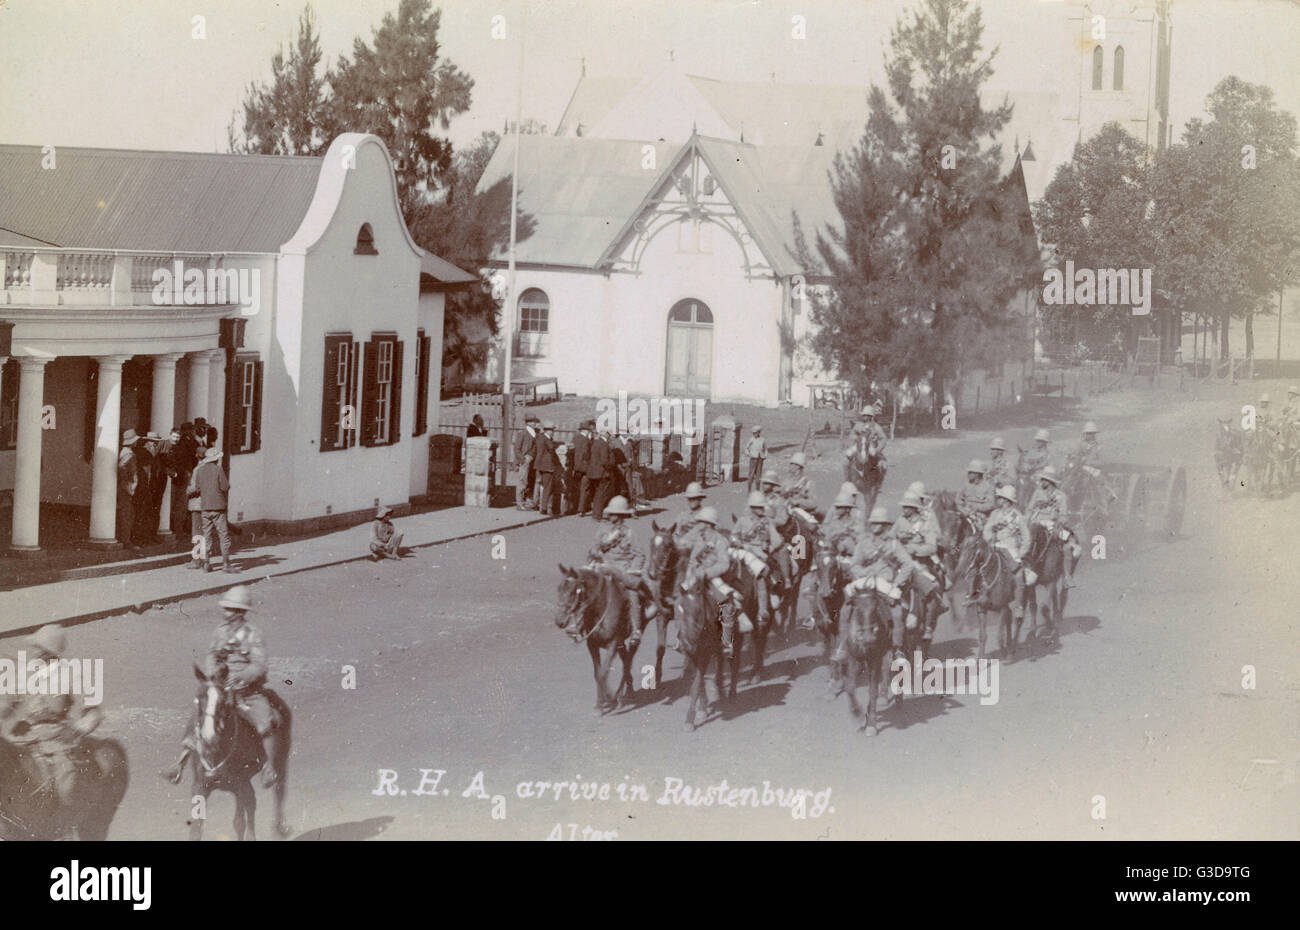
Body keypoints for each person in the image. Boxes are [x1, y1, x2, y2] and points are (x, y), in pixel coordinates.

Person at [162, 585, 282, 788]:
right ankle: (180, 763)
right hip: (222, 687)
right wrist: (212, 674)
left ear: (239, 612)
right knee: (200, 714)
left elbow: (260, 665)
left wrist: (242, 675)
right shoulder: (220, 632)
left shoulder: (253, 634)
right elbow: (211, 654)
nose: (225, 613)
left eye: (229, 609)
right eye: (225, 609)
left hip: (247, 690)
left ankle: (268, 768)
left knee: (264, 720)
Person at [0, 625, 102, 805]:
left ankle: (65, 824)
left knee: (66, 785)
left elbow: (94, 713)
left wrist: (76, 730)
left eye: (37, 647)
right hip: (24, 737)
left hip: (57, 739)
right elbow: (7, 704)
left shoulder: (71, 674)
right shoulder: (24, 673)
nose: (32, 650)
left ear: (48, 651)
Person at [835, 506, 915, 663]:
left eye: (878, 523)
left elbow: (908, 564)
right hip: (865, 581)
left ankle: (898, 649)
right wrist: (864, 573)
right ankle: (842, 645)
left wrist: (898, 582)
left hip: (885, 582)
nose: (874, 526)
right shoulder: (863, 543)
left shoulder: (893, 544)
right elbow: (854, 564)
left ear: (885, 525)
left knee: (897, 613)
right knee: (845, 610)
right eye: (873, 523)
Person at [584, 496, 650, 649]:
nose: (611, 516)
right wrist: (596, 553)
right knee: (585, 589)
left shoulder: (629, 533)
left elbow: (639, 554)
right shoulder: (602, 530)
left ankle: (635, 630)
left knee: (632, 593)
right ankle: (582, 625)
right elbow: (594, 547)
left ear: (621, 515)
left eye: (614, 513)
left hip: (623, 569)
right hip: (605, 567)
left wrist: (632, 570)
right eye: (611, 513)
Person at [679, 506, 739, 655]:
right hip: (696, 577)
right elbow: (693, 561)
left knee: (727, 605)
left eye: (702, 523)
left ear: (709, 524)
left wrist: (706, 573)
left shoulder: (720, 541)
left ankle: (727, 642)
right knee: (680, 602)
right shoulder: (700, 540)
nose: (699, 526)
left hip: (714, 578)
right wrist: (689, 576)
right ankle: (682, 637)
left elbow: (724, 564)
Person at [970, 485, 1031, 617]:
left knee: (1019, 572)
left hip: (1011, 547)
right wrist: (989, 538)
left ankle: (1019, 605)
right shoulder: (995, 514)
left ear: (1006, 500)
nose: (998, 500)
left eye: (1001, 498)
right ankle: (973, 594)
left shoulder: (1017, 516)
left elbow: (1026, 537)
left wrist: (1021, 552)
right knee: (977, 564)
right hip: (994, 545)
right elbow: (986, 530)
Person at [731, 490, 783, 625]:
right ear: (752, 508)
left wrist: (769, 548)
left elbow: (777, 540)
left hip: (760, 553)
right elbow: (733, 535)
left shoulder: (767, 522)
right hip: (744, 551)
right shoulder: (742, 521)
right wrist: (738, 542)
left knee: (761, 573)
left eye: (762, 507)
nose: (762, 509)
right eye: (759, 507)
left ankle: (762, 610)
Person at [188, 446, 236, 574]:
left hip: (204, 507)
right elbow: (225, 487)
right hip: (218, 507)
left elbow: (197, 488)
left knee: (206, 536)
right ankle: (226, 563)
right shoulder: (218, 470)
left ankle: (206, 564)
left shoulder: (199, 471)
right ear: (216, 459)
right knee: (223, 535)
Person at [1027, 466, 1076, 587]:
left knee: (1067, 546)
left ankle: (1067, 576)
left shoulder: (1061, 496)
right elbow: (1029, 509)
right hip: (1035, 523)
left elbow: (1064, 514)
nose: (1041, 482)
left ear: (1051, 482)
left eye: (1044, 480)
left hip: (1051, 524)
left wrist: (1059, 523)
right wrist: (1025, 520)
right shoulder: (1037, 493)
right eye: (1042, 479)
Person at [844, 402, 888, 514]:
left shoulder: (876, 427)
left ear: (872, 416)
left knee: (882, 464)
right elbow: (851, 435)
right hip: (859, 445)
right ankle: (847, 481)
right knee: (846, 460)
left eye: (868, 415)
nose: (866, 417)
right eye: (864, 415)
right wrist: (856, 438)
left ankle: (878, 483)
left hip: (871, 446)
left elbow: (883, 438)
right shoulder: (858, 425)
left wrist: (878, 449)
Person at [956, 458, 995, 547]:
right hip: (965, 514)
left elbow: (990, 504)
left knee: (984, 534)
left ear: (977, 474)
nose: (968, 475)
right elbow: (958, 500)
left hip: (981, 517)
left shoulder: (988, 487)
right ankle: (955, 548)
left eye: (971, 472)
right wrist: (962, 510)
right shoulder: (965, 486)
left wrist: (976, 508)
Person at [131, 431, 156, 545]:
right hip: (142, 487)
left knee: (138, 513)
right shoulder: (146, 454)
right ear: (147, 443)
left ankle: (138, 537)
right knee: (141, 513)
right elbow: (147, 472)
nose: (155, 446)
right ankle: (138, 538)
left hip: (137, 487)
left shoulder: (138, 452)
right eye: (153, 443)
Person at [117, 429, 140, 549]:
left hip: (125, 487)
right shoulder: (128, 454)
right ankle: (126, 541)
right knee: (127, 514)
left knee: (127, 513)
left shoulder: (125, 451)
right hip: (126, 488)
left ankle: (125, 539)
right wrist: (127, 483)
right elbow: (122, 467)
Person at [672, 481, 707, 554]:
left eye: (694, 498)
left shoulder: (706, 515)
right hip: (682, 550)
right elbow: (675, 534)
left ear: (700, 499)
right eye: (690, 498)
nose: (692, 501)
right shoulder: (682, 515)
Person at [533, 421, 560, 515]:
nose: (553, 432)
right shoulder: (546, 438)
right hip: (547, 466)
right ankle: (544, 508)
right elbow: (551, 447)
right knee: (548, 488)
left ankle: (542, 505)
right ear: (548, 431)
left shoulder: (540, 437)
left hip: (541, 465)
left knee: (542, 486)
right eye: (552, 430)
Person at [513, 414, 538, 511]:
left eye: (535, 421)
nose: (534, 423)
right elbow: (517, 449)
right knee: (522, 481)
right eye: (532, 421)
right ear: (527, 423)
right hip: (525, 461)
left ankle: (528, 501)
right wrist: (523, 460)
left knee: (530, 481)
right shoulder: (522, 433)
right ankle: (519, 503)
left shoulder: (535, 433)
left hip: (533, 461)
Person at [587, 425, 612, 520]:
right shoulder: (604, 444)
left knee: (597, 494)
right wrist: (610, 467)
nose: (610, 436)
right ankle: (598, 515)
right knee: (601, 494)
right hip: (602, 473)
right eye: (609, 434)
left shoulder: (596, 443)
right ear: (605, 434)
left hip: (593, 473)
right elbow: (604, 460)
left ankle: (595, 514)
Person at [572, 420, 595, 516]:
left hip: (576, 467)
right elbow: (586, 453)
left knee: (577, 488)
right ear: (586, 430)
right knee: (585, 488)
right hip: (585, 468)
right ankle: (581, 509)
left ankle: (575, 507)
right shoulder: (586, 440)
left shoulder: (575, 438)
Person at [745, 426, 767, 492]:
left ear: (759, 432)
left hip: (760, 458)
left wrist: (765, 455)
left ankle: (757, 490)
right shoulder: (751, 439)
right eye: (753, 433)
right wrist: (749, 454)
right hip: (753, 458)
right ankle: (749, 490)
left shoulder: (763, 439)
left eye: (756, 433)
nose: (754, 434)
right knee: (751, 474)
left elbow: (765, 449)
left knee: (758, 475)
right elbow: (746, 448)